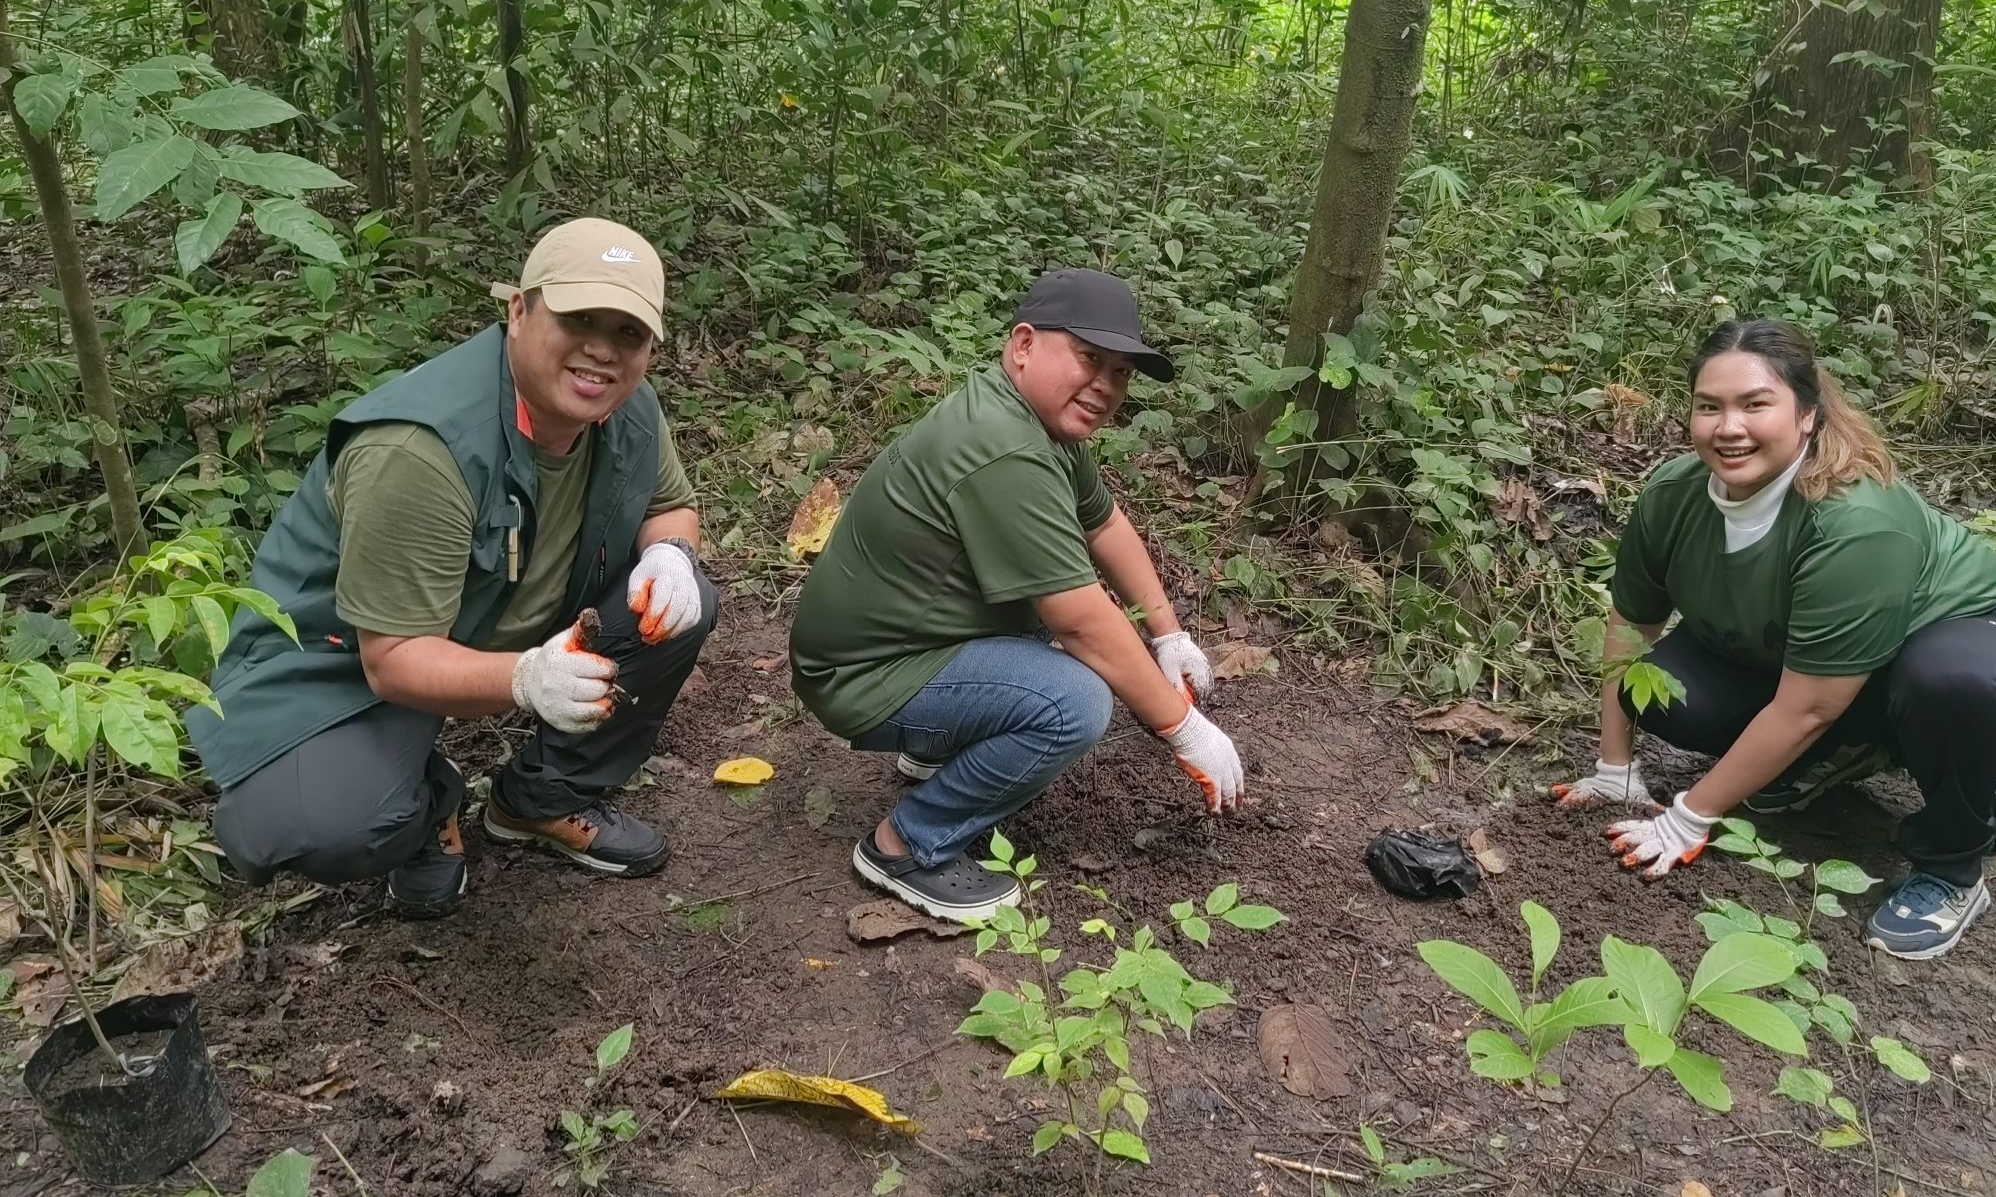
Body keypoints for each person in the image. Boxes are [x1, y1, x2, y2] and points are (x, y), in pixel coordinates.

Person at [190, 218, 719, 918]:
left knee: (681, 603)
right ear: (519, 311)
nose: (602, 349)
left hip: (491, 617)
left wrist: (671, 555)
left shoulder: (627, 409)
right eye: (578, 319)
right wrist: (526, 678)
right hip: (343, 659)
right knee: (319, 823)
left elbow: (670, 506)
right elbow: (394, 660)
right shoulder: (419, 450)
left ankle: (543, 796)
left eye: (628, 332)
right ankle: (421, 810)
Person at [1556, 318, 1996, 960]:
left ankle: (1952, 867)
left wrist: (1687, 818)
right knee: (1670, 692)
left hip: (1960, 637)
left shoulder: (1855, 522)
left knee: (1950, 682)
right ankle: (1852, 748)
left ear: (1807, 415)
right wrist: (1614, 769)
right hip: (1821, 662)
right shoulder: (1674, 494)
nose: (1729, 427)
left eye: (1755, 404)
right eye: (1709, 407)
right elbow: (1631, 626)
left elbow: (1809, 705)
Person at [788, 269, 1247, 921]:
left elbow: (1104, 525)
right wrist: (1184, 729)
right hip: (860, 676)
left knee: (1054, 625)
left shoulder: (1035, 419)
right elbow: (1082, 622)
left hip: (901, 641)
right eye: (1089, 358)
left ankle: (937, 749)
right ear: (1024, 344)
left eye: (1120, 372)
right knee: (1074, 700)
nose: (1106, 385)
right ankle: (906, 845)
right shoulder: (1004, 448)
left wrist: (1168, 633)